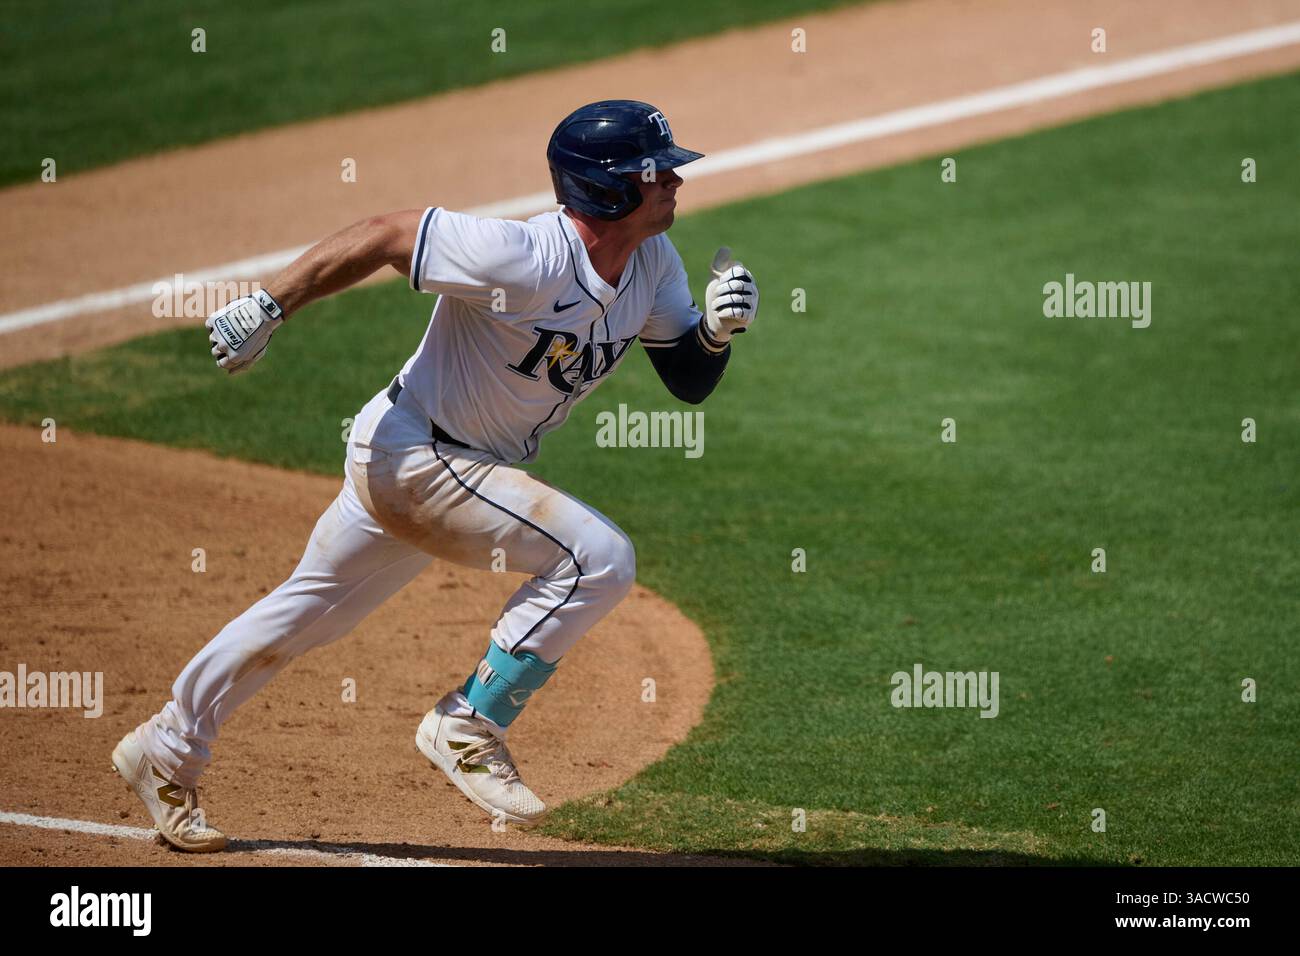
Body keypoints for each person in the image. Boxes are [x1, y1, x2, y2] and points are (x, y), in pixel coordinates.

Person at [111, 100, 759, 851]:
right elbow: (388, 234)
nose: (676, 179)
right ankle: (469, 722)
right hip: (413, 456)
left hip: (438, 468)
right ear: (610, 189)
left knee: (311, 612)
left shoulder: (652, 264)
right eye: (658, 171)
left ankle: (165, 748)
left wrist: (714, 333)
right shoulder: (522, 256)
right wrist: (270, 304)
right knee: (600, 558)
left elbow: (688, 378)